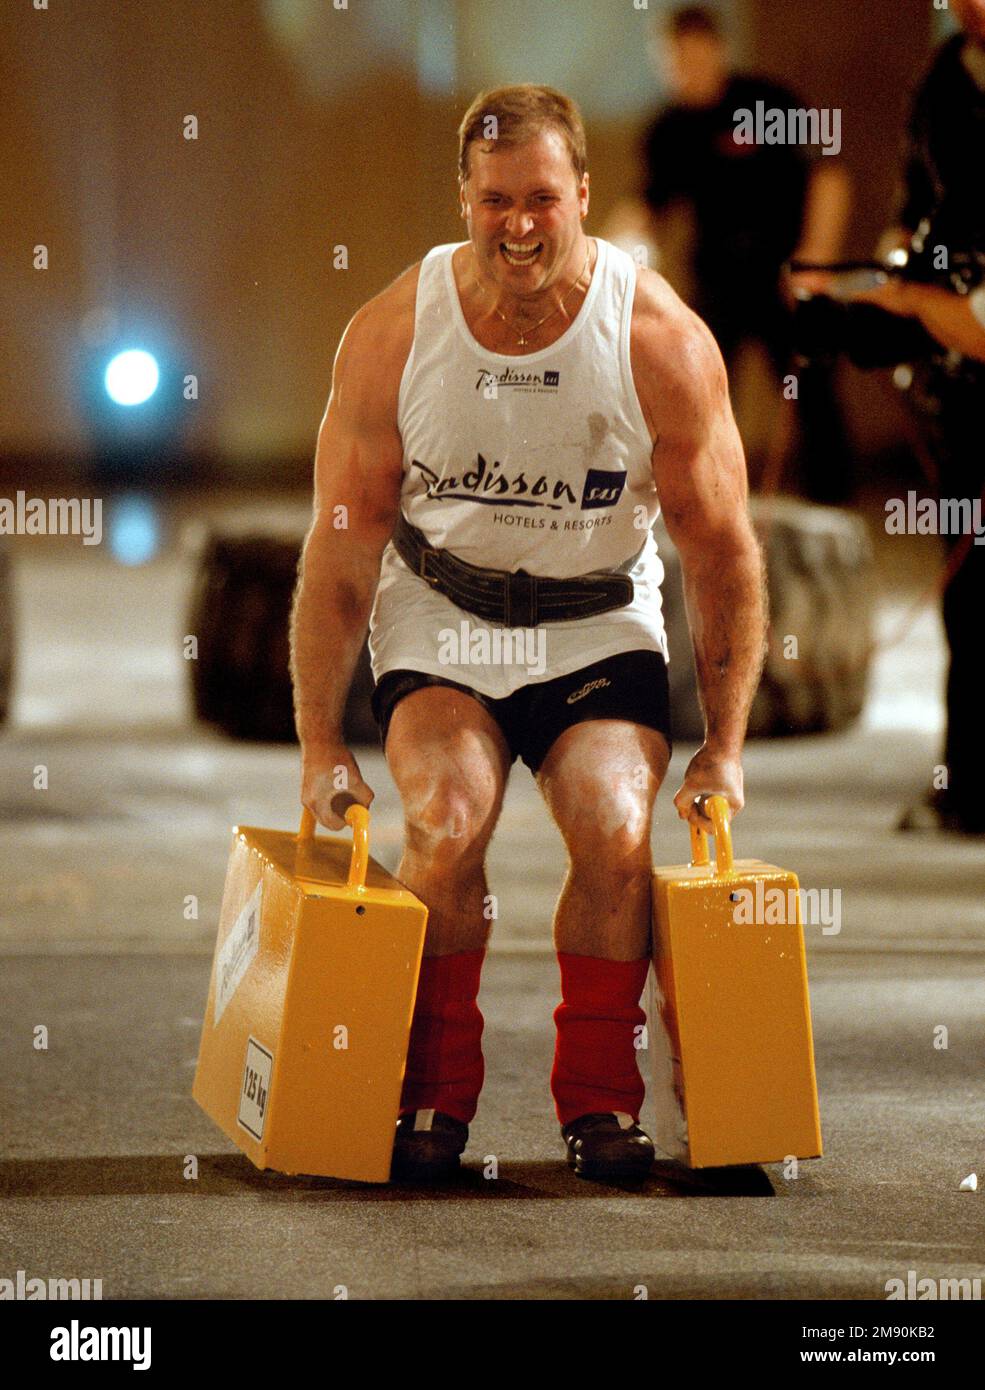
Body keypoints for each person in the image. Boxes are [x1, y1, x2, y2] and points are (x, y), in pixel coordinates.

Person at [290, 83, 766, 1182]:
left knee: (611, 826)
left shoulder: (655, 340)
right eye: (495, 199)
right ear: (463, 196)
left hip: (594, 624)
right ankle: (429, 1102)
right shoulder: (392, 334)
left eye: (542, 199)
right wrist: (321, 742)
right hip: (445, 619)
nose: (518, 224)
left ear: (583, 197)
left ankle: (600, 1104)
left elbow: (724, 554)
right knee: (446, 819)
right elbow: (341, 554)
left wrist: (726, 746)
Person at [616, 5, 852, 503]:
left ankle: (836, 513)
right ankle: (714, 509)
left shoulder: (765, 103)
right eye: (674, 60)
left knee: (811, 395)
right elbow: (647, 207)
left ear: (717, 51)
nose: (685, 69)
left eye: (694, 56)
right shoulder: (669, 129)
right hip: (718, 281)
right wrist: (599, 254)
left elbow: (829, 176)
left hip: (787, 275)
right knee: (703, 395)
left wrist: (818, 257)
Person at [849, 0, 985, 836]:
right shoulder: (940, 78)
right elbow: (912, 205)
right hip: (961, 379)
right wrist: (897, 281)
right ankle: (967, 783)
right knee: (969, 589)